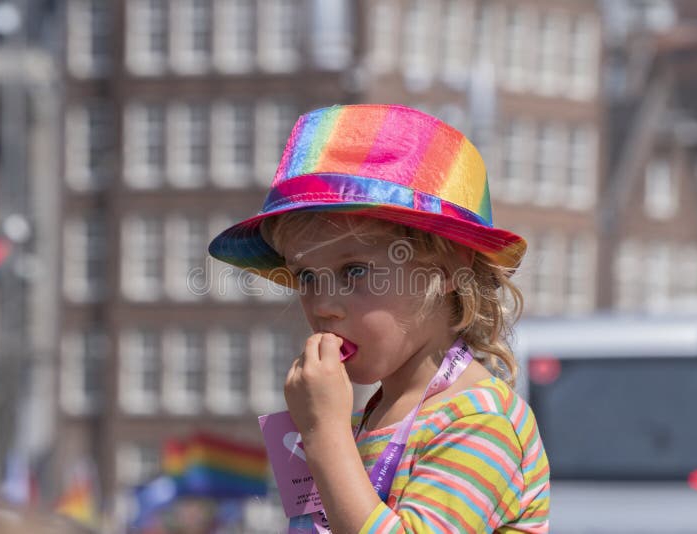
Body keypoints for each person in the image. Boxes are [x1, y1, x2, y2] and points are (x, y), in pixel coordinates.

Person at [209, 104, 550, 533]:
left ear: (445, 271)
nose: (323, 305)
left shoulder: (478, 421)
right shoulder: (365, 418)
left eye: (354, 271)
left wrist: (323, 436)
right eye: (307, 276)